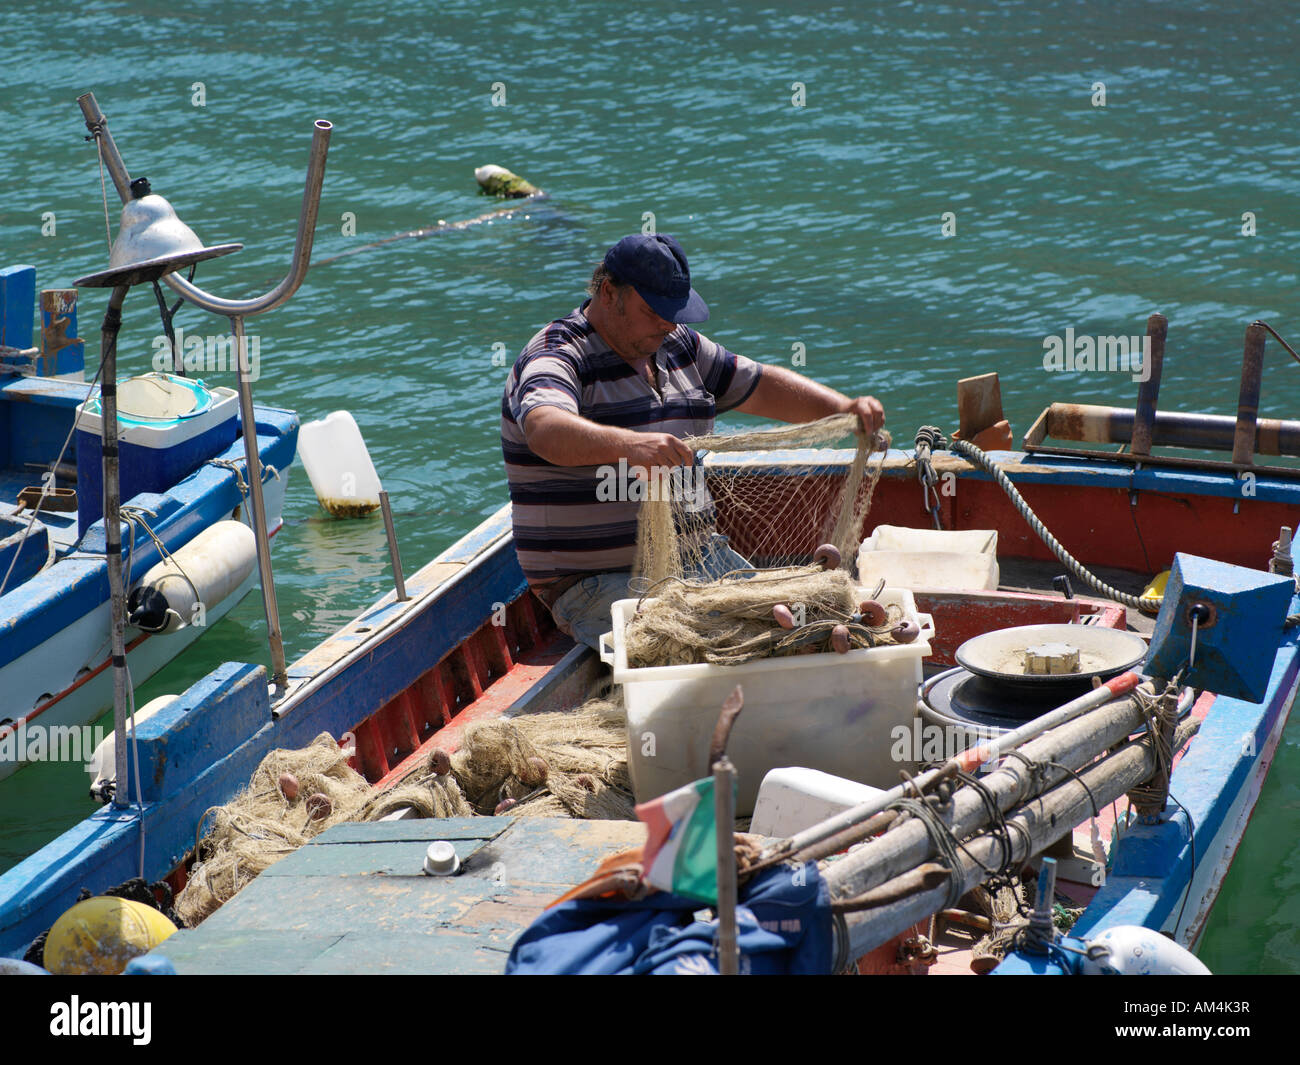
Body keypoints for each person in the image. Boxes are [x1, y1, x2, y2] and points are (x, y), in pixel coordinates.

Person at [500, 233, 885, 650]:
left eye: (673, 312)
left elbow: (760, 385)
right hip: (597, 582)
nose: (667, 323)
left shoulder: (677, 343)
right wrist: (629, 446)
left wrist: (844, 408)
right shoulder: (557, 354)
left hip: (702, 561)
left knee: (820, 620)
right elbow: (545, 429)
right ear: (610, 293)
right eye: (654, 311)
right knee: (735, 643)